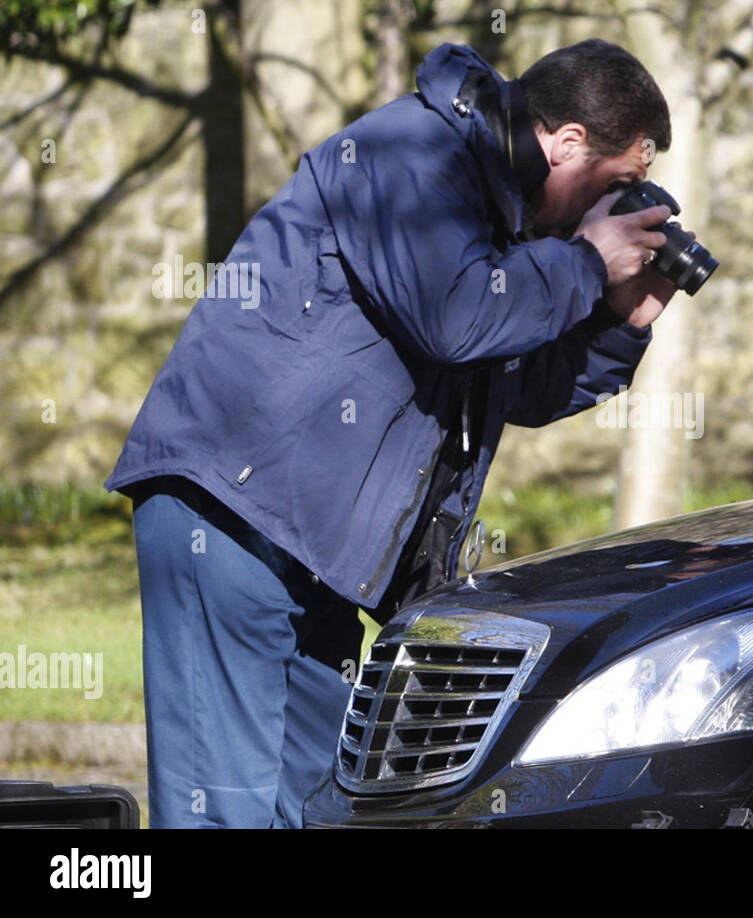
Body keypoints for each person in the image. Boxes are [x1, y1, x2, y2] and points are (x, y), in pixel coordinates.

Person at [103, 38, 684, 828]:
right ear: (569, 141)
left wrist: (621, 319)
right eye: (619, 184)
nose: (615, 207)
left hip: (324, 552)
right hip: (233, 512)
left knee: (321, 810)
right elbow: (457, 319)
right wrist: (584, 262)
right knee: (222, 810)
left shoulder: (507, 220)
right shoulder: (411, 155)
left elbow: (521, 383)